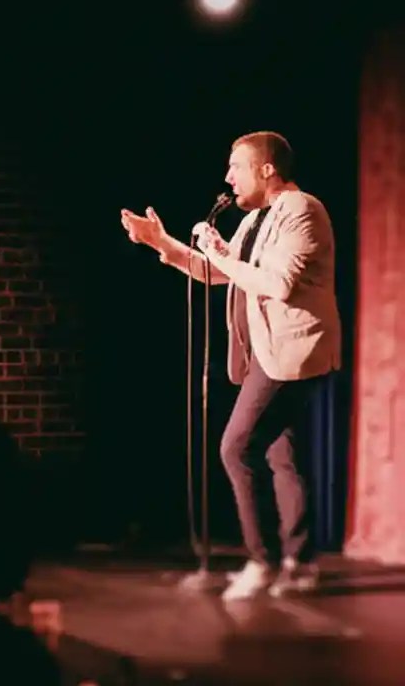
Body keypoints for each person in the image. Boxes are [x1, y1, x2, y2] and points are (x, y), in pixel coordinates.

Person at [120, 131, 341, 600]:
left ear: (267, 169)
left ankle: (261, 562)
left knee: (236, 448)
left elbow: (278, 284)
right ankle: (297, 563)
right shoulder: (256, 218)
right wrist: (163, 242)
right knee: (282, 455)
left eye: (235, 166)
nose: (227, 177)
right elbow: (218, 273)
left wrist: (221, 254)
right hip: (259, 350)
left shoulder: (302, 210)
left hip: (289, 354)